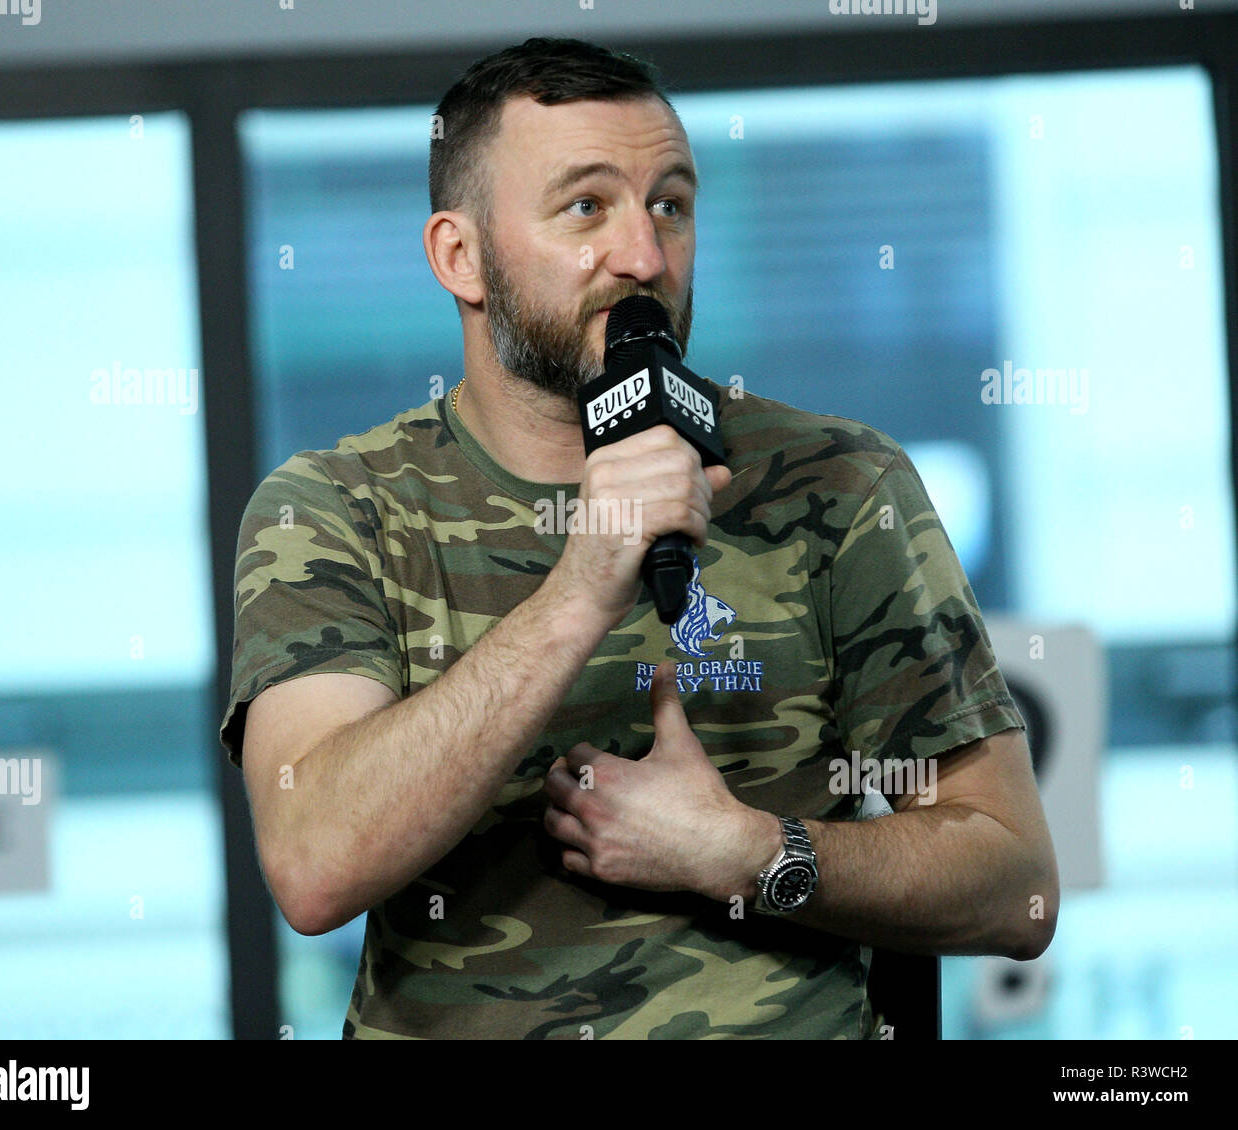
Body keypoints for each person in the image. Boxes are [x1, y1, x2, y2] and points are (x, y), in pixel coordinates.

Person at [218, 36, 1059, 1040]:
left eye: (670, 203)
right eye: (587, 206)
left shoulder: (840, 482)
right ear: (460, 254)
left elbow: (1017, 886)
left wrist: (747, 850)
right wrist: (580, 587)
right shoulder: (337, 506)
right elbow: (313, 864)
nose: (644, 256)